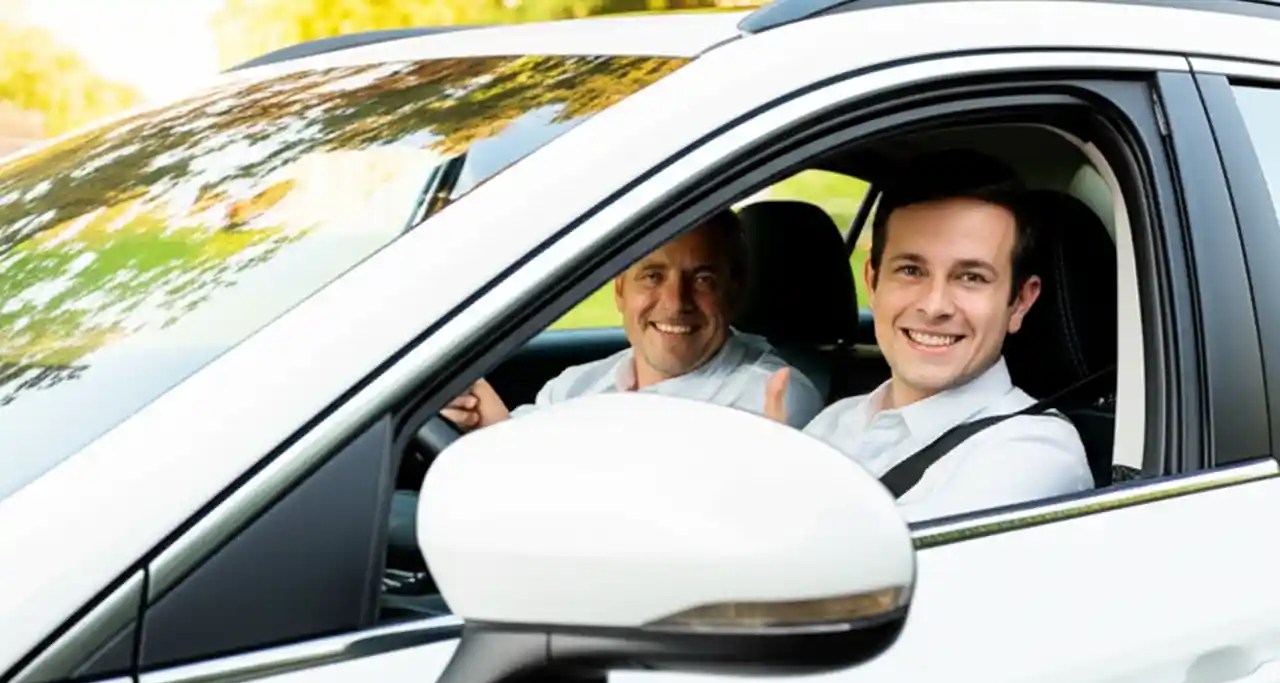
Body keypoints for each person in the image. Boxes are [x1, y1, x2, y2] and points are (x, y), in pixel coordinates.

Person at [766, 152, 1091, 521]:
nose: (935, 306)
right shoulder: (835, 421)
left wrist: (776, 499)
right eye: (910, 270)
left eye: (971, 277)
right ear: (872, 282)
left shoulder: (1036, 453)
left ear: (1018, 303)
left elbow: (880, 568)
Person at [443, 209, 824, 431]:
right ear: (620, 289)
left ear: (734, 290)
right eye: (653, 276)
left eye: (703, 279)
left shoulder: (772, 399)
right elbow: (521, 465)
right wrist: (483, 422)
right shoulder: (575, 387)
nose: (675, 302)